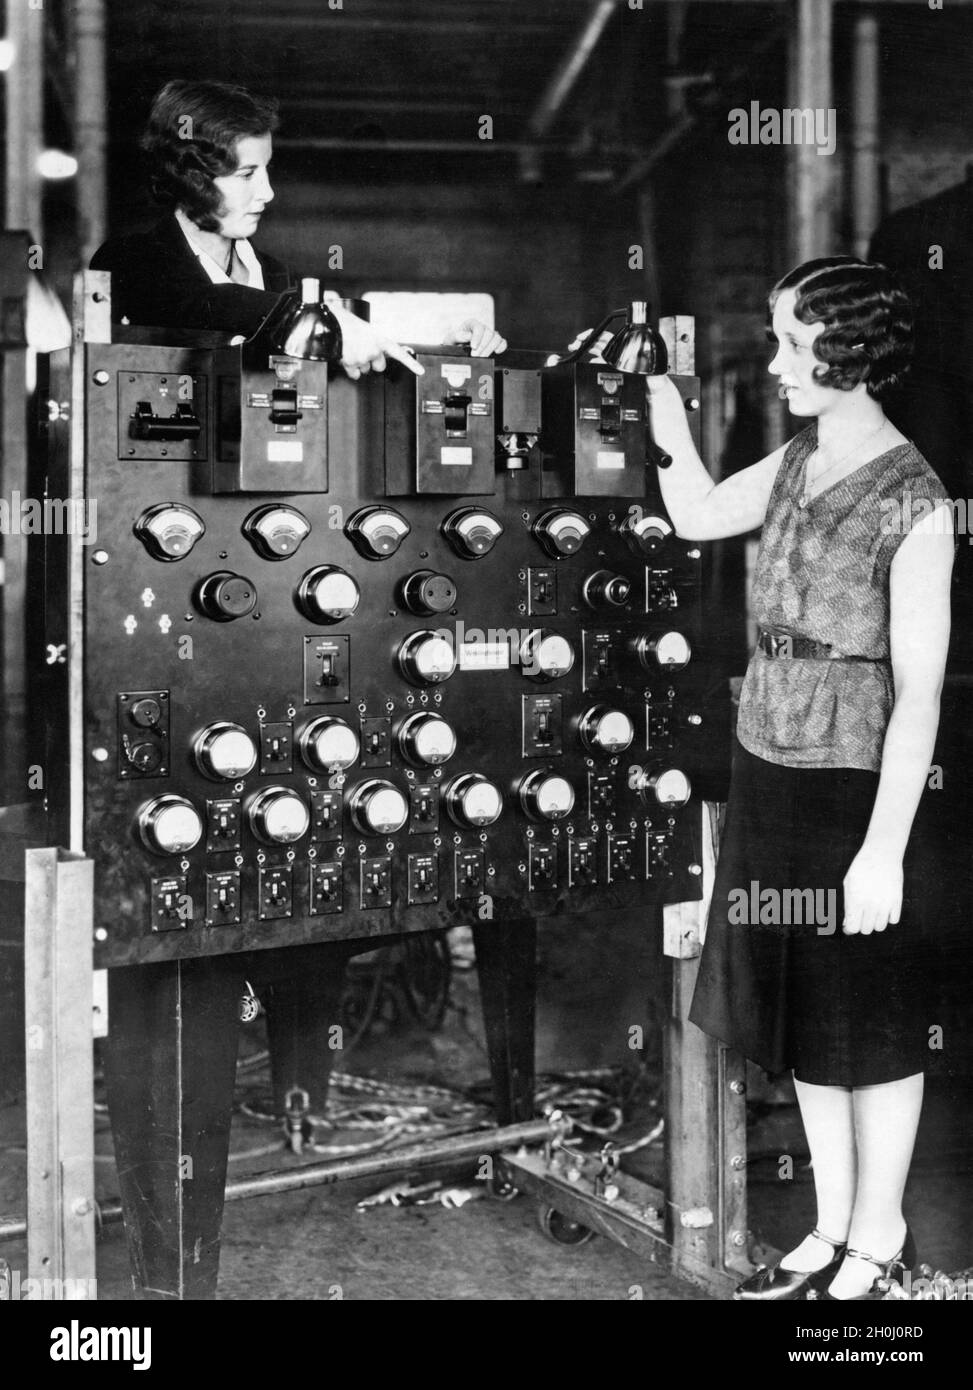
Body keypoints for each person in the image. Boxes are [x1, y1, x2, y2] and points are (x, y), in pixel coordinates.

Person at [644, 257, 954, 1301]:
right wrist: (661, 415)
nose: (773, 362)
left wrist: (882, 851)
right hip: (767, 752)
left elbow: (918, 694)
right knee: (801, 1011)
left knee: (869, 1016)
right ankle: (827, 1228)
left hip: (858, 782)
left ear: (847, 351)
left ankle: (877, 1237)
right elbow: (691, 513)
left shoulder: (913, 497)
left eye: (789, 342)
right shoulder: (794, 457)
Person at [90, 79, 506, 371]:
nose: (267, 193)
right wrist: (311, 319)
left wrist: (441, 347)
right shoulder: (129, 262)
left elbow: (342, 346)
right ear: (193, 178)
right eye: (246, 174)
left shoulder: (276, 277)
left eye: (266, 170)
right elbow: (198, 302)